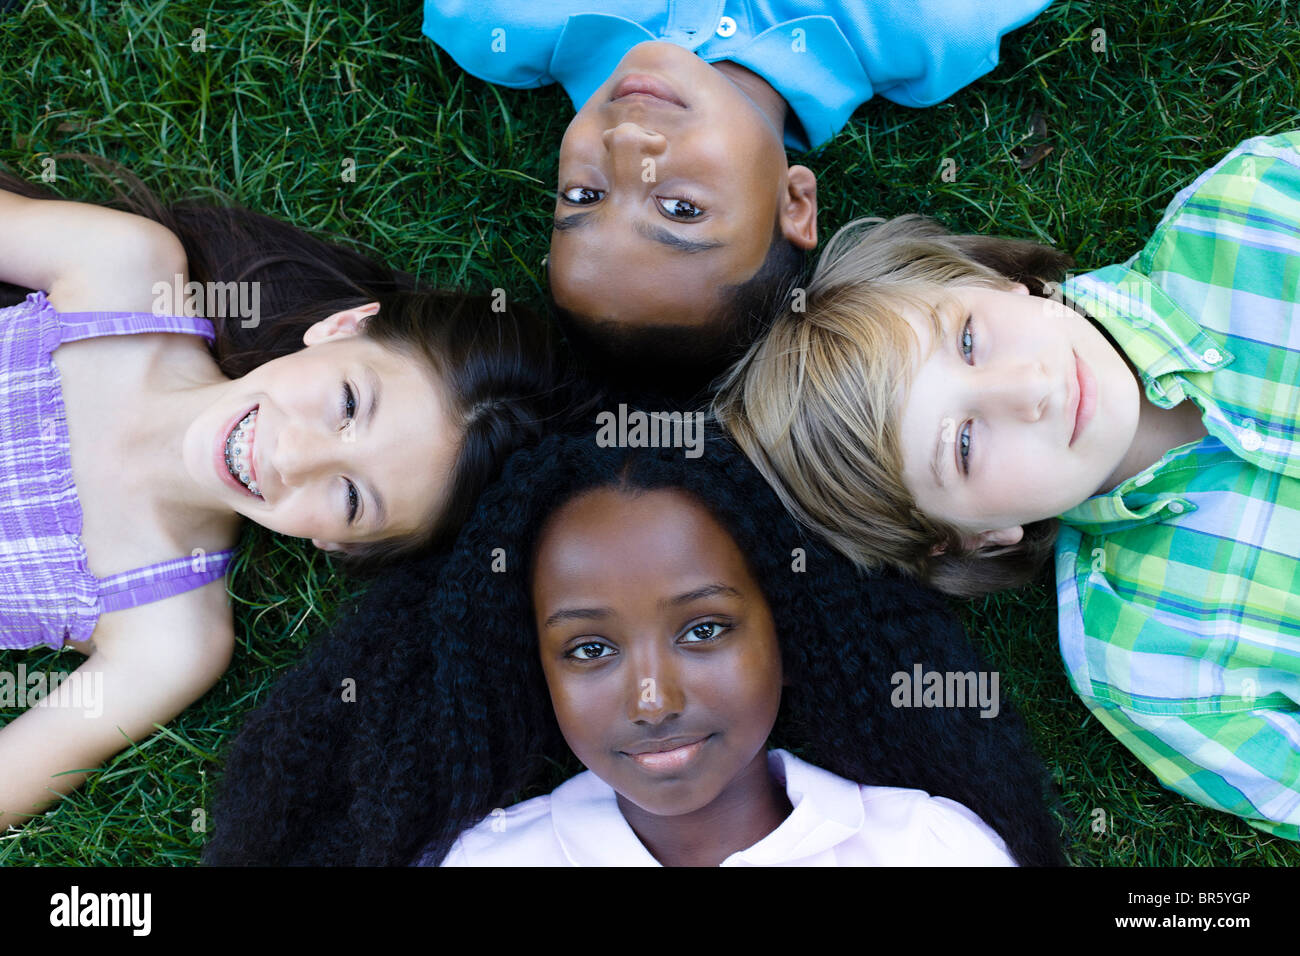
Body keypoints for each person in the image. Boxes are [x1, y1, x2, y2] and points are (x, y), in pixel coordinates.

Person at [714, 132, 1300, 841]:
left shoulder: (1256, 210)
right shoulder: (1152, 670)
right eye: (962, 445)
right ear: (973, 538)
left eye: (968, 339)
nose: (1030, 389)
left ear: (996, 281)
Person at [203, 430, 1063, 866]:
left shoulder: (925, 850)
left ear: (786, 626)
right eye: (587, 651)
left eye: (703, 630)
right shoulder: (498, 861)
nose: (652, 699)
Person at [0, 162, 561, 825]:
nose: (292, 455)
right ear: (343, 327)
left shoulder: (169, 635)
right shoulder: (124, 271)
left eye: (353, 498)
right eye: (348, 403)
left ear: (341, 545)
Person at [421, 0, 1052, 394]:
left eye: (584, 194)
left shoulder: (492, 18)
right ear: (795, 203)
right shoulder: (930, 25)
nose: (626, 144)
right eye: (680, 209)